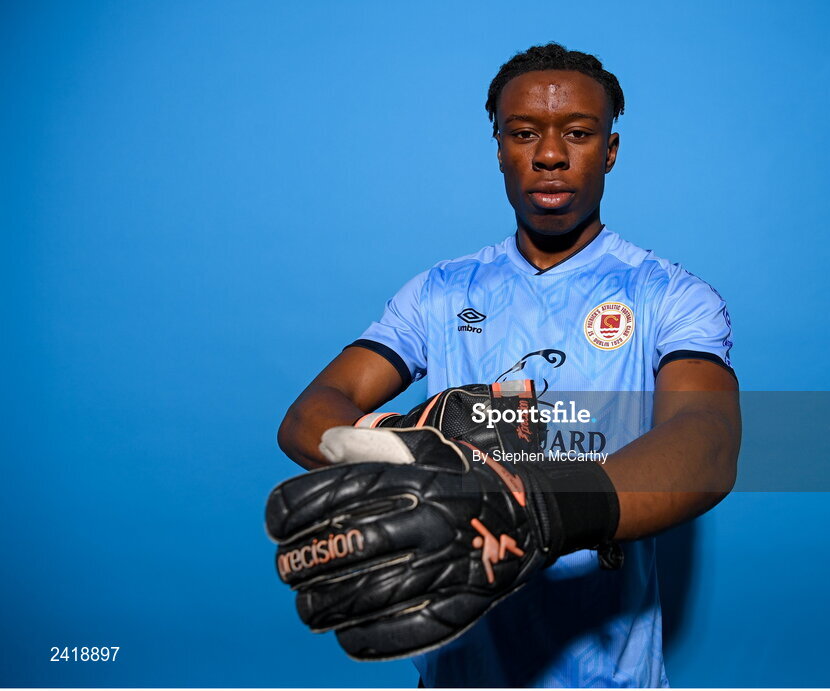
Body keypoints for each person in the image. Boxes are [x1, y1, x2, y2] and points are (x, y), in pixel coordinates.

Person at [277, 42, 740, 688]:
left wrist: (537, 507)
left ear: (610, 150)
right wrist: (401, 454)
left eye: (578, 133)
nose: (550, 155)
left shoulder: (669, 294)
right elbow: (311, 411)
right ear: (498, 148)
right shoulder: (442, 291)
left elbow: (707, 444)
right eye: (523, 133)